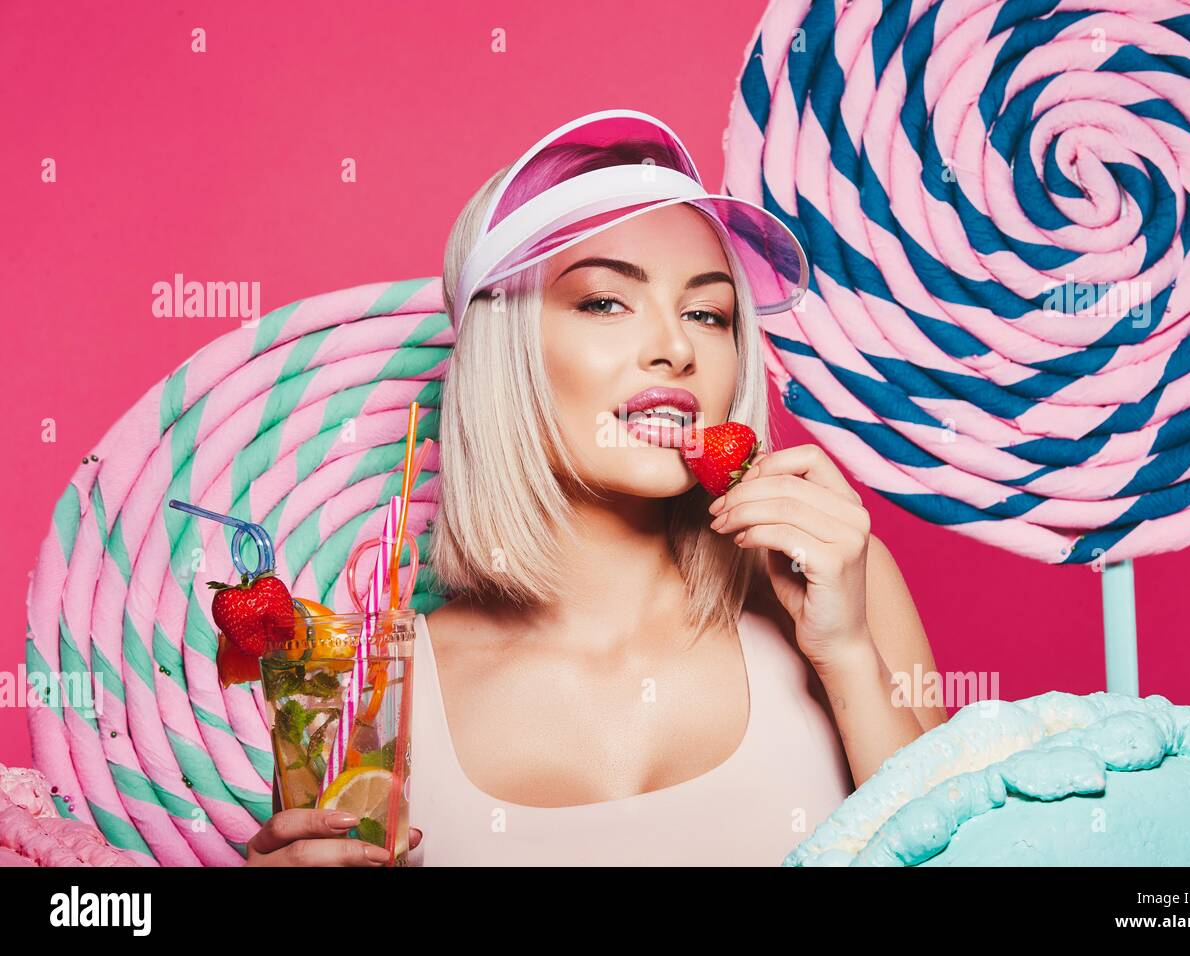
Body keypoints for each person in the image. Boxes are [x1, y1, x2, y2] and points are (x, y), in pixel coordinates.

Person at [246, 109, 943, 867]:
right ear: (502, 350)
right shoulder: (366, 690)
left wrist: (845, 655)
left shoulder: (838, 590)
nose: (676, 348)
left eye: (709, 313)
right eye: (606, 301)